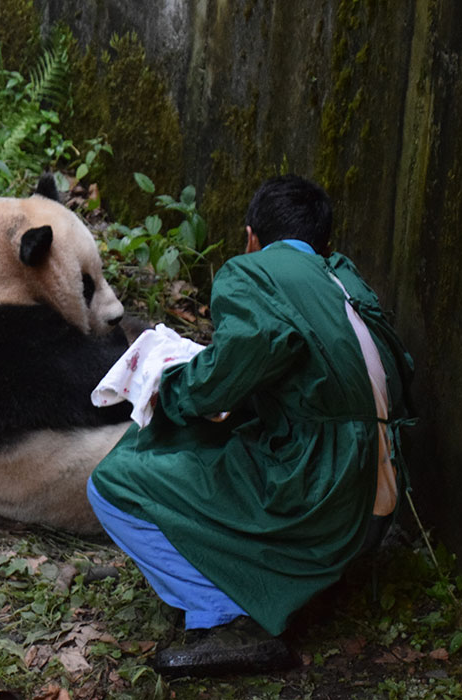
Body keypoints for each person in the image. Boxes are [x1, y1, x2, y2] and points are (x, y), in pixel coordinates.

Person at [87, 174, 415, 677]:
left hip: (325, 496)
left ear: (251, 238)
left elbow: (222, 379)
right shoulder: (347, 280)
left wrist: (166, 387)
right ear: (323, 243)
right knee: (231, 440)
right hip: (378, 506)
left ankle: (227, 617)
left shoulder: (253, 273)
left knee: (113, 480)